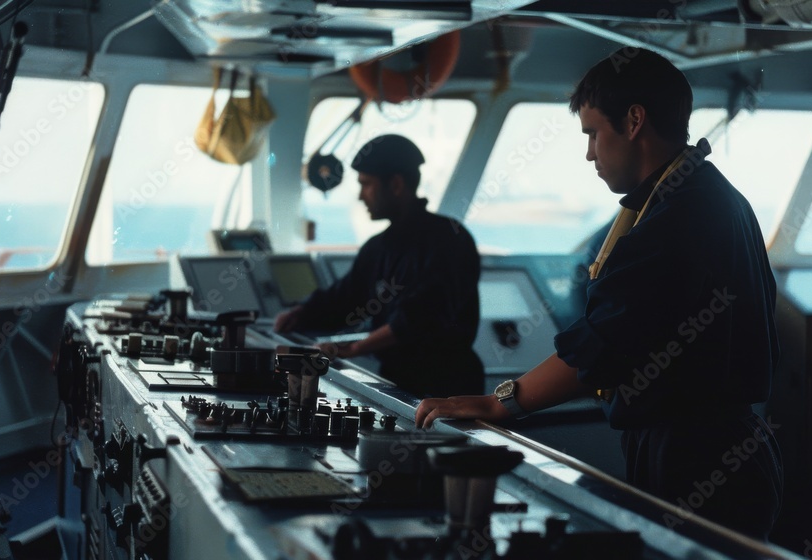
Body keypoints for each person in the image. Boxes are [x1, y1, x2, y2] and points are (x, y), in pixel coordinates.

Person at [415, 49, 783, 541]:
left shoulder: (672, 221)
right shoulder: (712, 196)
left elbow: (603, 346)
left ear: (634, 121)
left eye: (592, 132)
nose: (589, 152)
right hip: (724, 448)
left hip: (696, 457)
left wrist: (498, 404)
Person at [275, 134, 484, 398]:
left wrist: (355, 347)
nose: (361, 196)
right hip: (397, 378)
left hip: (448, 385)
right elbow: (345, 297)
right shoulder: (379, 246)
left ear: (396, 184)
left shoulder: (449, 239)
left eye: (367, 184)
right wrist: (302, 313)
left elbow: (423, 316)